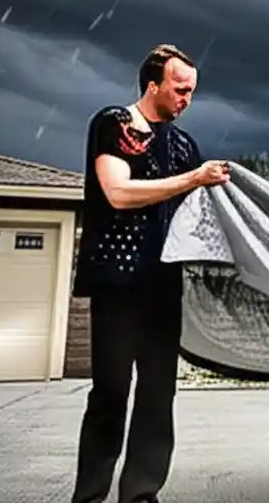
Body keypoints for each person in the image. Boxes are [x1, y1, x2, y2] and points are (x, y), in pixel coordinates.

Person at [69, 44, 231, 503]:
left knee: (158, 397)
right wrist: (193, 178)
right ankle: (90, 497)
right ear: (153, 84)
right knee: (111, 394)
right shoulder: (114, 124)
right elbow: (118, 193)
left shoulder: (183, 146)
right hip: (118, 283)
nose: (186, 100)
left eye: (192, 92)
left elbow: (198, 216)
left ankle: (141, 495)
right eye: (180, 89)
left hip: (164, 287)